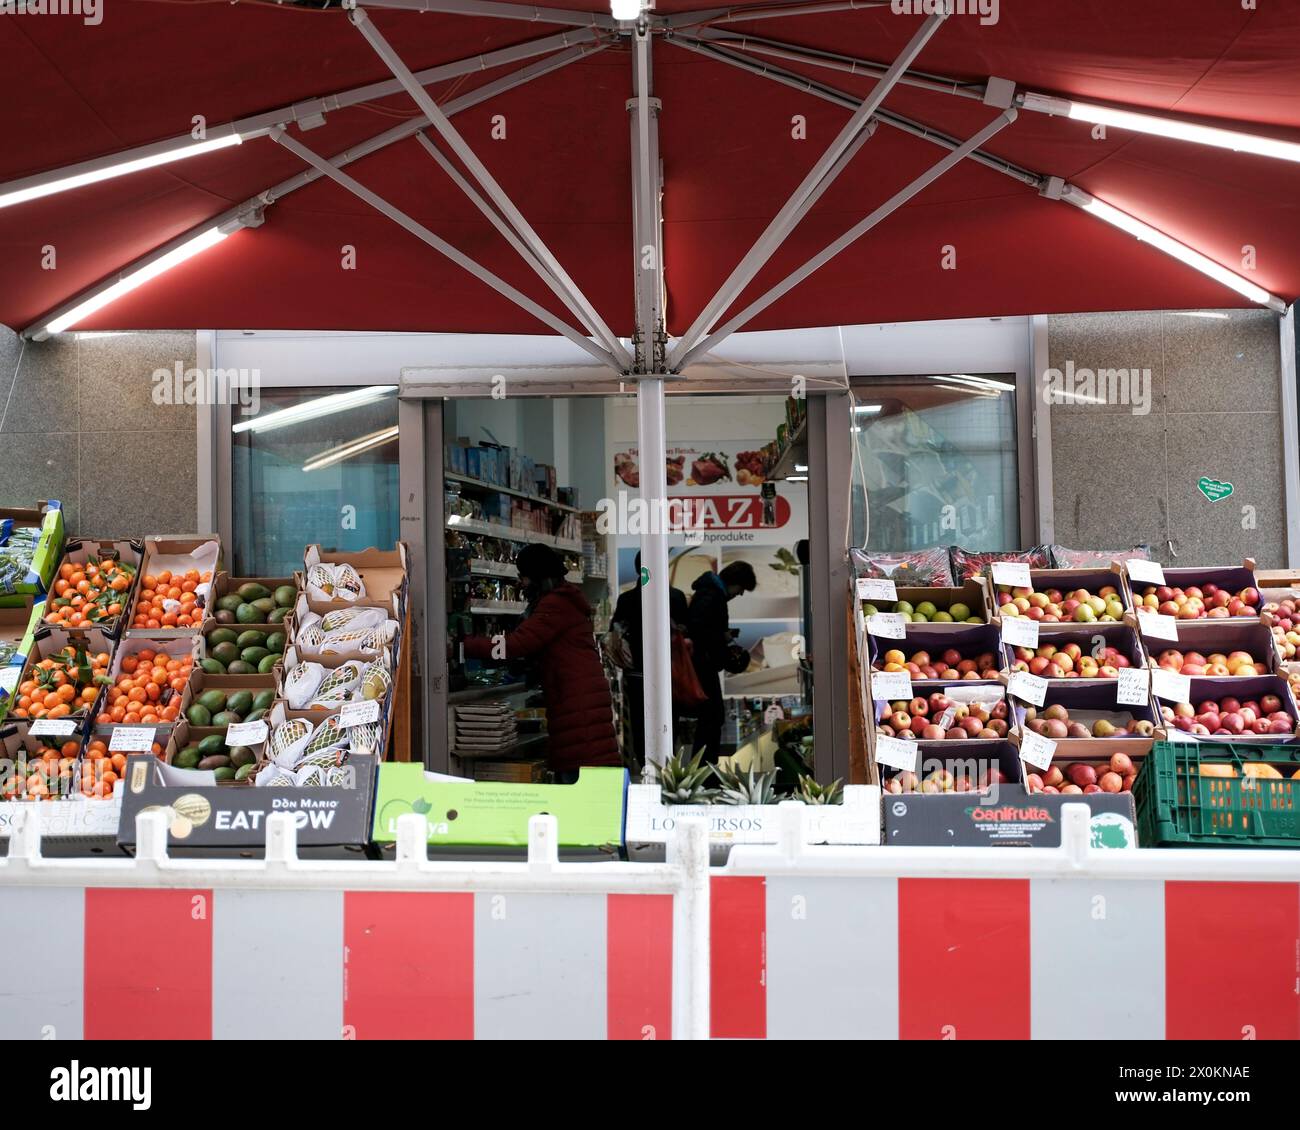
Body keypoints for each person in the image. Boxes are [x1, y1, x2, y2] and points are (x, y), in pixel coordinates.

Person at [462, 543, 620, 782]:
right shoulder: (564, 600)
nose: (521, 583)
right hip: (579, 701)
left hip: (576, 706)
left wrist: (466, 646)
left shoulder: (555, 604)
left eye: (523, 576)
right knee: (585, 775)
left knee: (577, 779)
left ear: (536, 576)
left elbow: (517, 644)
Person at [609, 552, 689, 764]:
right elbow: (687, 634)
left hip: (636, 673)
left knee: (639, 721)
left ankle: (645, 764)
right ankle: (667, 765)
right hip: (669, 672)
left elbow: (614, 632)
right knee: (669, 720)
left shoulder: (627, 599)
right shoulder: (676, 596)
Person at [686, 561, 757, 760]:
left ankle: (704, 767)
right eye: (741, 589)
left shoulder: (709, 593)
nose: (740, 594)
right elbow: (701, 631)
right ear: (734, 582)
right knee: (712, 717)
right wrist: (722, 638)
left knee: (711, 717)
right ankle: (705, 769)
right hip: (703, 666)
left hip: (703, 664)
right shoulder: (712, 596)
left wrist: (723, 635)